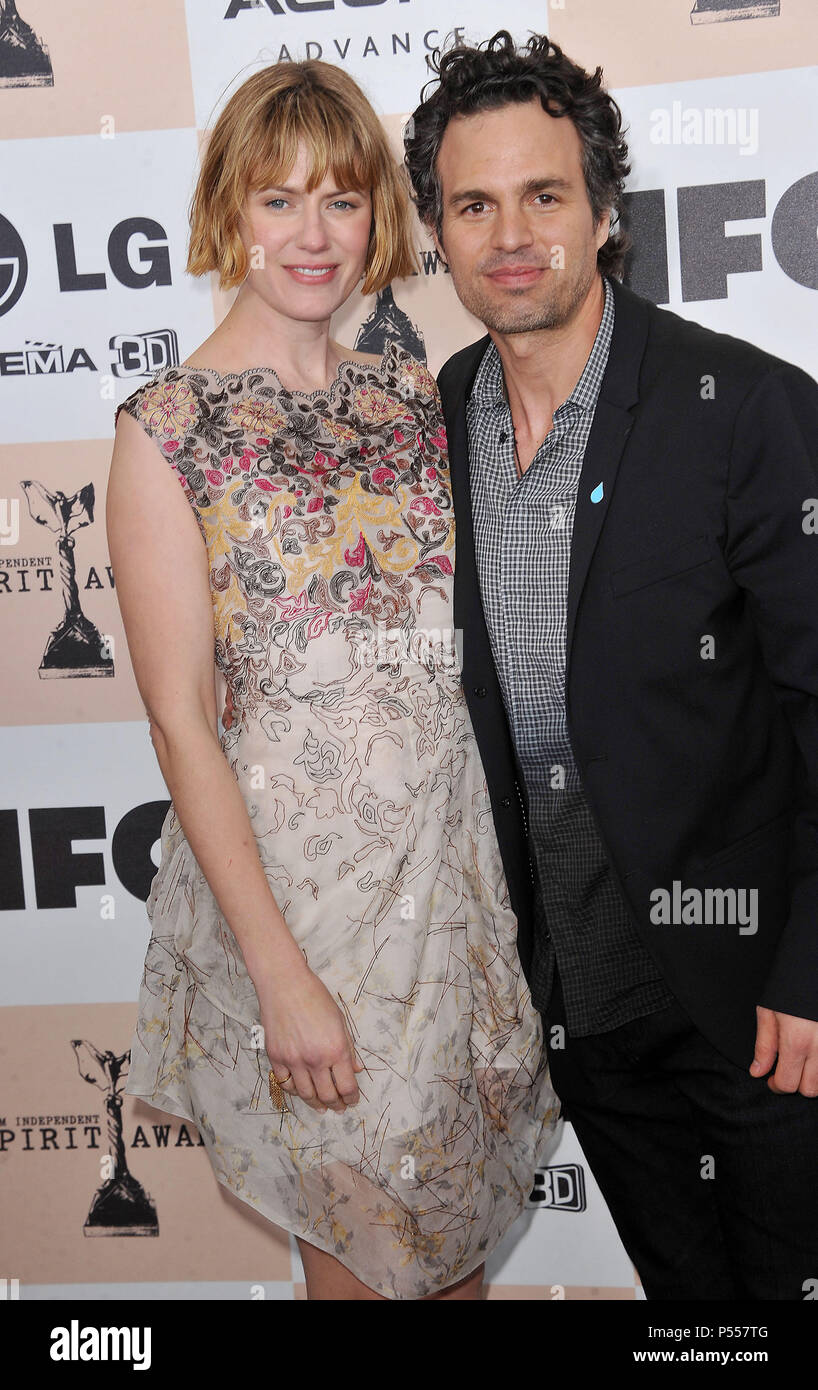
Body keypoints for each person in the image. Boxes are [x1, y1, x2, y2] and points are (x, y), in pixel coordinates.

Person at [106, 58, 559, 1303]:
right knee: (358, 1259)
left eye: (342, 200)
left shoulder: (412, 397)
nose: (312, 234)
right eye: (276, 201)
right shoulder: (166, 428)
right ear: (224, 213)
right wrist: (279, 976)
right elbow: (178, 724)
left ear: (379, 220)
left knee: (449, 1250)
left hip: (450, 892)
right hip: (298, 908)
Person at [404, 30, 818, 1300]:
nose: (510, 232)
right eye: (473, 203)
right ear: (437, 231)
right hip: (577, 1010)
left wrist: (807, 972)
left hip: (758, 1007)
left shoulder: (739, 406)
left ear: (602, 216)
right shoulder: (430, 426)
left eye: (543, 195)